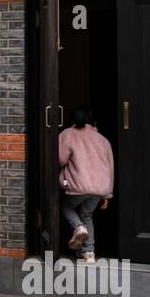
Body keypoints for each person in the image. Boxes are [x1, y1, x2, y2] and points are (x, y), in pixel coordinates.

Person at [58, 106, 114, 264]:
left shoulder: (68, 134)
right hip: (99, 188)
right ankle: (89, 253)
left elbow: (61, 159)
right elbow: (110, 167)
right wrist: (107, 194)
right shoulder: (102, 139)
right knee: (87, 215)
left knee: (65, 206)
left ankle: (78, 228)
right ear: (92, 121)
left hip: (78, 184)